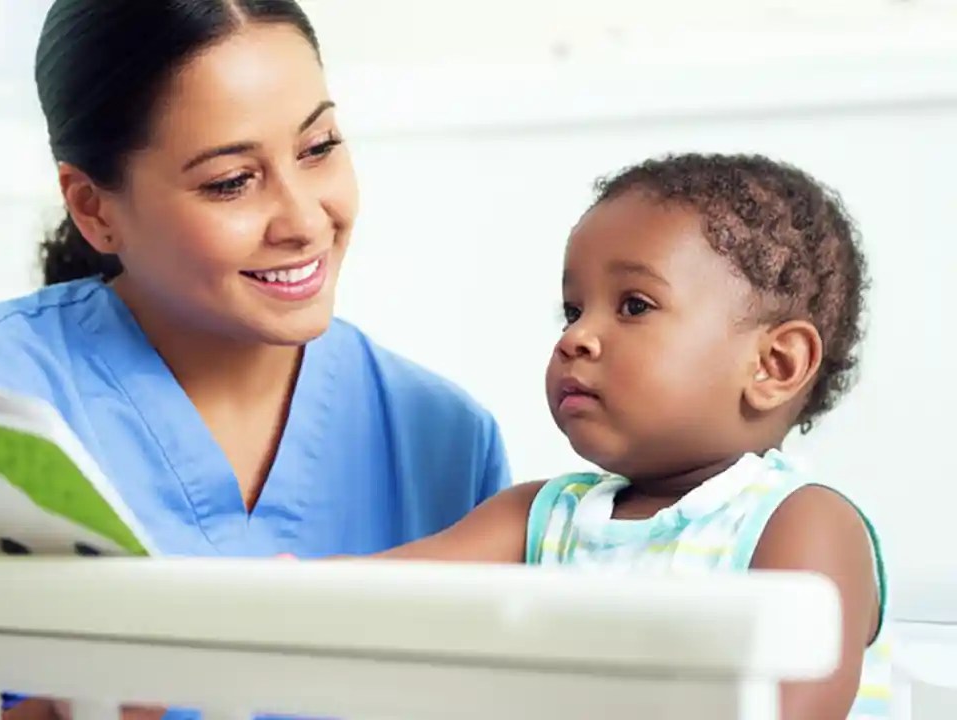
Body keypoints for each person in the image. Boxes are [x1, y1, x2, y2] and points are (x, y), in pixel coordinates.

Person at [0, 1, 511, 718]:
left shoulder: (443, 440)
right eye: (232, 182)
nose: (303, 219)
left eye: (320, 146)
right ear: (94, 208)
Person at [367, 152, 890, 720]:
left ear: (775, 365)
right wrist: (283, 580)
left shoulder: (802, 524)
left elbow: (788, 706)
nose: (577, 338)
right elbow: (373, 599)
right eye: (572, 311)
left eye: (634, 306)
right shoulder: (538, 518)